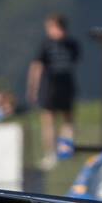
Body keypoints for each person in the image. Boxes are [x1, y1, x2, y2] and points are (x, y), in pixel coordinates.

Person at [27, 14, 81, 169]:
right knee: (48, 121)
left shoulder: (72, 44)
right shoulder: (45, 44)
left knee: (68, 120)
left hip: (65, 86)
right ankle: (51, 154)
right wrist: (33, 88)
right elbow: (37, 66)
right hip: (48, 87)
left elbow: (74, 63)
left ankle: (66, 151)